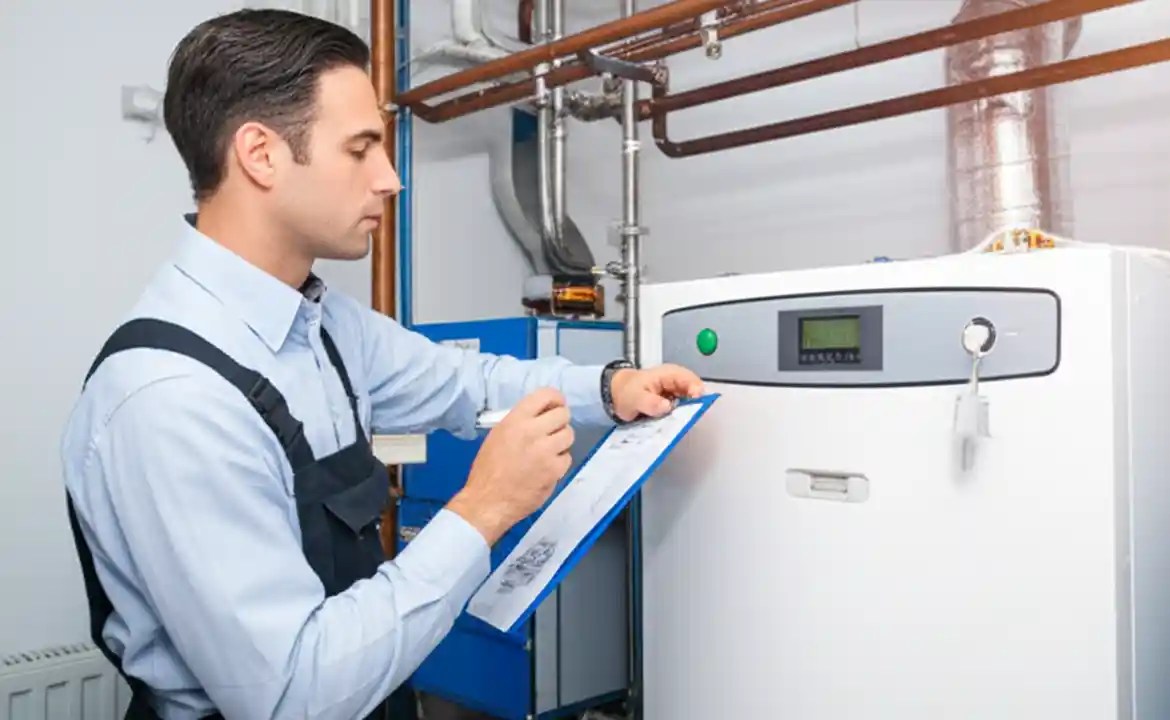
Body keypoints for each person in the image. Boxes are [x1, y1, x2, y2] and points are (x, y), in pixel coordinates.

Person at [59, 9, 704, 720]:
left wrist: (610, 388)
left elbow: (466, 383)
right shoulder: (171, 398)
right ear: (261, 154)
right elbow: (291, 696)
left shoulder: (324, 322)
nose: (390, 179)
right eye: (361, 148)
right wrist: (486, 506)